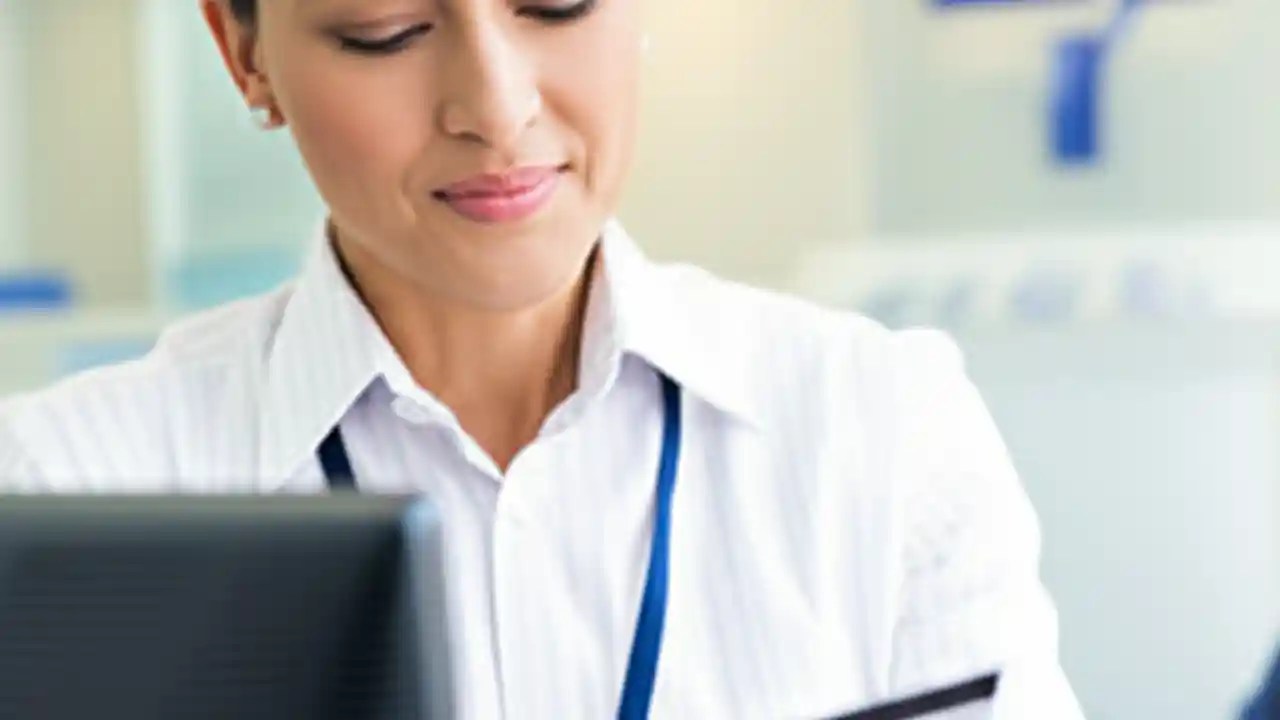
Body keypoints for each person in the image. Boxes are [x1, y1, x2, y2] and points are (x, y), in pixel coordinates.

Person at [0, 0, 1083, 717]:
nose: (497, 106)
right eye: (385, 28)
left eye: (556, 0)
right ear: (244, 54)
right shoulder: (61, 489)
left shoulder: (882, 429)